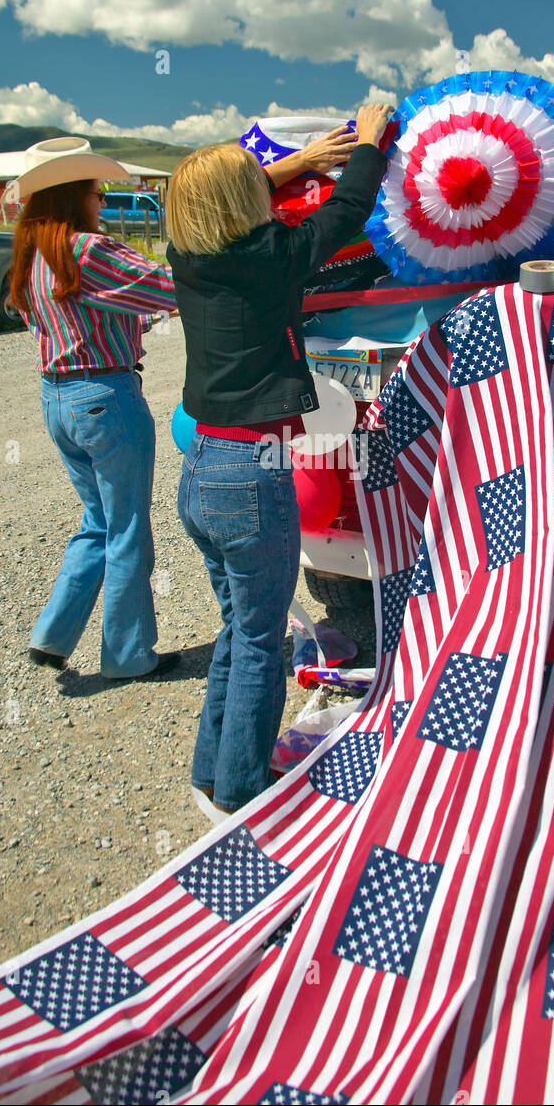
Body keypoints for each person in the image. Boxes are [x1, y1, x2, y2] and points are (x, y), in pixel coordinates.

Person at [166, 105, 390, 814]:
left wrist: (293, 163)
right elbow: (349, 210)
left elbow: (221, 197)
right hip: (251, 472)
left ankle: (212, 767)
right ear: (246, 203)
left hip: (200, 468)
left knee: (239, 628)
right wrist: (370, 141)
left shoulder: (190, 253)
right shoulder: (273, 256)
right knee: (261, 641)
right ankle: (241, 790)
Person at [6, 137, 180, 680]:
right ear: (74, 197)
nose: (102, 204)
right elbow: (169, 288)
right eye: (97, 194)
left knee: (97, 521)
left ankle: (54, 634)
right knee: (126, 526)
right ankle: (128, 655)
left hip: (57, 397)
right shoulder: (88, 250)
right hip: (106, 398)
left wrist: (134, 323)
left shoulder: (35, 255)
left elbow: (78, 316)